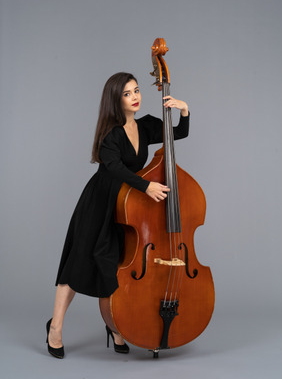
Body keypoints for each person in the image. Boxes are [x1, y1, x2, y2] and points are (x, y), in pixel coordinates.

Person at [46, 72, 189, 358]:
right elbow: (115, 169)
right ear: (116, 99)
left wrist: (184, 110)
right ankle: (55, 328)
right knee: (77, 264)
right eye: (127, 93)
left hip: (129, 205)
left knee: (116, 265)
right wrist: (147, 185)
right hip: (100, 202)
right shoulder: (110, 136)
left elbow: (178, 134)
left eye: (136, 90)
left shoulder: (146, 125)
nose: (135, 97)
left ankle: (114, 326)